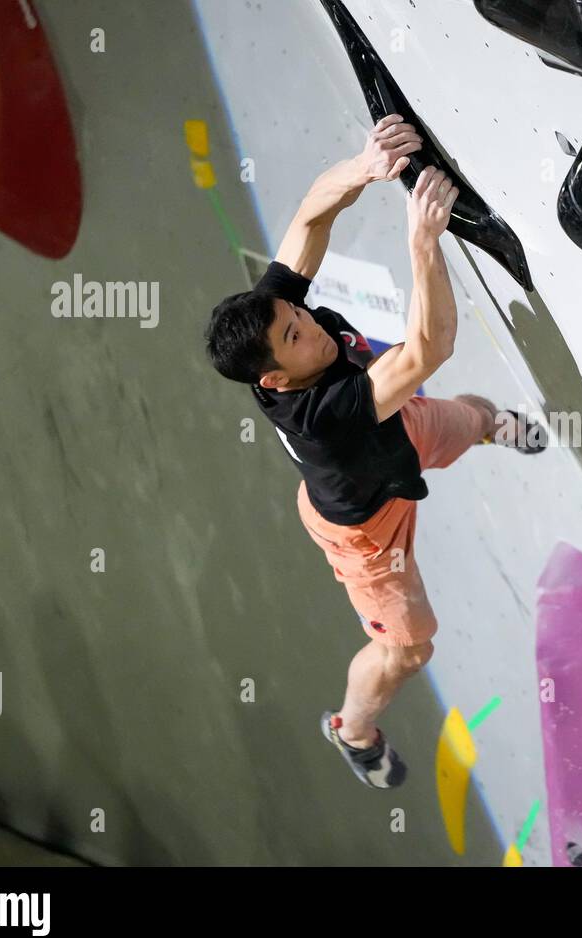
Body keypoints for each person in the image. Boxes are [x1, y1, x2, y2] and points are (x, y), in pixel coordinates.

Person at [204, 115, 545, 788]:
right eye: (298, 340)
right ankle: (353, 732)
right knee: (409, 648)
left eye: (298, 317)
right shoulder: (321, 416)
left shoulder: (275, 322)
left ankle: (489, 427)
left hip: (394, 432)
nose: (310, 329)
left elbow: (311, 216)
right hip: (366, 530)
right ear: (274, 378)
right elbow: (428, 349)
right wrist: (424, 242)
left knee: (473, 416)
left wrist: (363, 166)